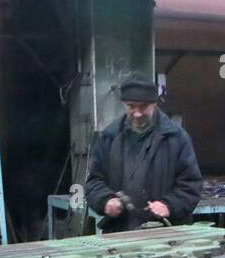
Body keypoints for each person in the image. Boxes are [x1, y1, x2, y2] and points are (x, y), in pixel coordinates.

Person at [84, 76, 204, 232]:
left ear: (154, 104)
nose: (137, 113)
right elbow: (94, 182)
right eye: (131, 106)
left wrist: (169, 205)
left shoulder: (176, 138)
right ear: (124, 104)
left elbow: (191, 185)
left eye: (143, 107)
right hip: (120, 232)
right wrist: (106, 200)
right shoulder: (109, 137)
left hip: (167, 234)